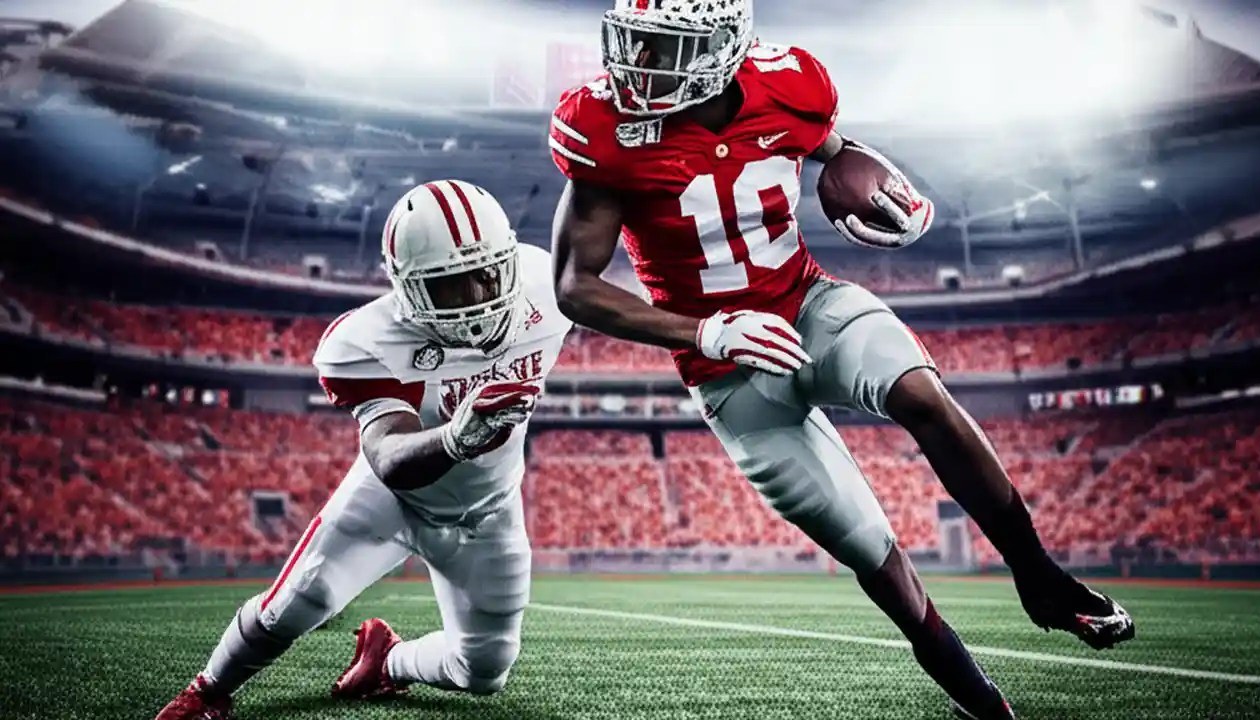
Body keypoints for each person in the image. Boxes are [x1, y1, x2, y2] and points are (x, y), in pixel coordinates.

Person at [548, 2, 1133, 717]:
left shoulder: (789, 83)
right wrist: (705, 334)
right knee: (870, 548)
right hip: (725, 369)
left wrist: (884, 186)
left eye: (664, 47)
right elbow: (574, 286)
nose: (637, 63)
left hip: (807, 305)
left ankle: (1038, 576)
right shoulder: (604, 128)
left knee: (919, 392)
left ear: (723, 47)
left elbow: (836, 149)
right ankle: (976, 695)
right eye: (636, 41)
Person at [156, 180, 572, 719]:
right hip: (392, 499)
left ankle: (388, 662)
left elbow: (605, 278)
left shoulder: (545, 284)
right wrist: (455, 438)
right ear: (408, 289)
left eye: (488, 274)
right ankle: (207, 691)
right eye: (450, 286)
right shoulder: (368, 339)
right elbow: (389, 456)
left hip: (488, 511)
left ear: (510, 260)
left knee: (483, 671)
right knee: (295, 604)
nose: (478, 299)